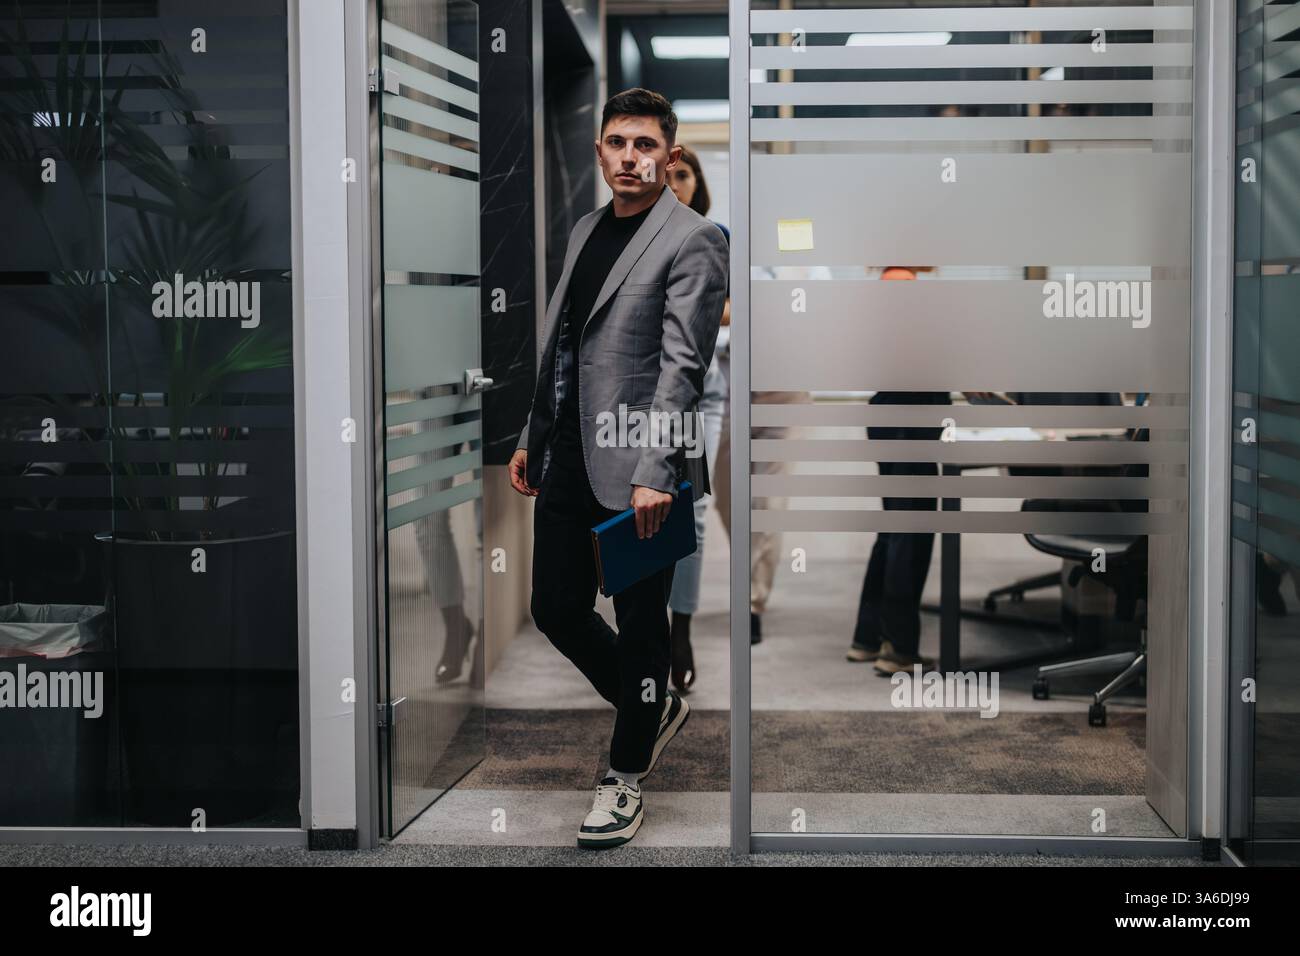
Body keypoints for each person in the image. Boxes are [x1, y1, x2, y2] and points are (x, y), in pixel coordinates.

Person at [508, 89, 728, 849]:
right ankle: (655, 707)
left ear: (669, 155)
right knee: (555, 607)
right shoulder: (584, 230)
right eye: (616, 143)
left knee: (642, 629)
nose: (629, 157)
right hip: (569, 452)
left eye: (644, 144)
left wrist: (658, 470)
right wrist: (531, 434)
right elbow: (560, 345)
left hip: (642, 462)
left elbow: (682, 367)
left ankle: (625, 776)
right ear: (599, 152)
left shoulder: (695, 238)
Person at [664, 144, 729, 692]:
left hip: (705, 393)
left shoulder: (715, 237)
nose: (679, 183)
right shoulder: (641, 239)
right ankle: (648, 621)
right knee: (643, 504)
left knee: (694, 510)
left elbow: (732, 305)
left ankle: (680, 627)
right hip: (648, 397)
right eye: (673, 175)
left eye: (686, 176)